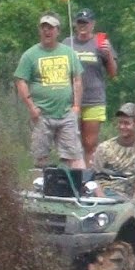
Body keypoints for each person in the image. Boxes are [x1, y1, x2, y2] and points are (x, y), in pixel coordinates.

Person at [14, 12, 84, 168]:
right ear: (40, 30)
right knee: (40, 157)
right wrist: (31, 107)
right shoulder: (30, 55)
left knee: (72, 155)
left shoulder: (69, 53)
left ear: (58, 31)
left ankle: (72, 187)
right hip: (42, 115)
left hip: (66, 114)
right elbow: (21, 81)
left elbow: (77, 80)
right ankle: (42, 187)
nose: (47, 31)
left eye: (51, 28)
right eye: (44, 27)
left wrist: (76, 107)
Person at [64, 8, 117, 160]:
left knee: (90, 143)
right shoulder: (68, 43)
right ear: (75, 24)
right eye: (80, 22)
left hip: (94, 98)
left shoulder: (100, 43)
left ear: (92, 24)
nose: (83, 26)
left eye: (86, 23)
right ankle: (71, 176)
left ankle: (87, 178)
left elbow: (113, 73)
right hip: (70, 99)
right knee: (70, 143)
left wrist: (108, 55)